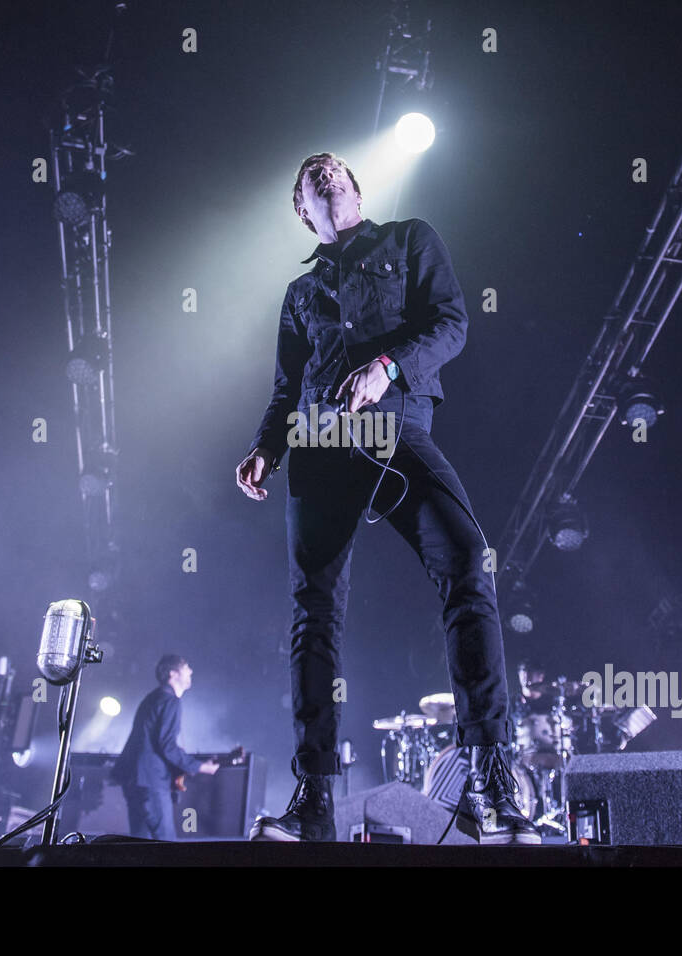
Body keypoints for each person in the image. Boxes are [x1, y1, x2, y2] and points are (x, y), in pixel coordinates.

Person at [236, 152, 539, 845]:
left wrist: (387, 365)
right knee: (314, 611)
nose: (326, 169)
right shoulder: (299, 294)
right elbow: (287, 390)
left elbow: (452, 323)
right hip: (315, 442)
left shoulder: (409, 239)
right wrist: (265, 447)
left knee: (468, 561)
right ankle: (313, 801)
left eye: (336, 166)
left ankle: (489, 780)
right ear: (301, 210)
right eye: (314, 173)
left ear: (355, 189)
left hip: (394, 425)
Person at [110, 654, 218, 840]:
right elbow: (167, 746)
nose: (190, 671)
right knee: (166, 844)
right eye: (186, 667)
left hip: (134, 779)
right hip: (151, 781)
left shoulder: (152, 698)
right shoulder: (170, 701)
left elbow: (149, 743)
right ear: (173, 674)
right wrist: (200, 767)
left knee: (138, 842)